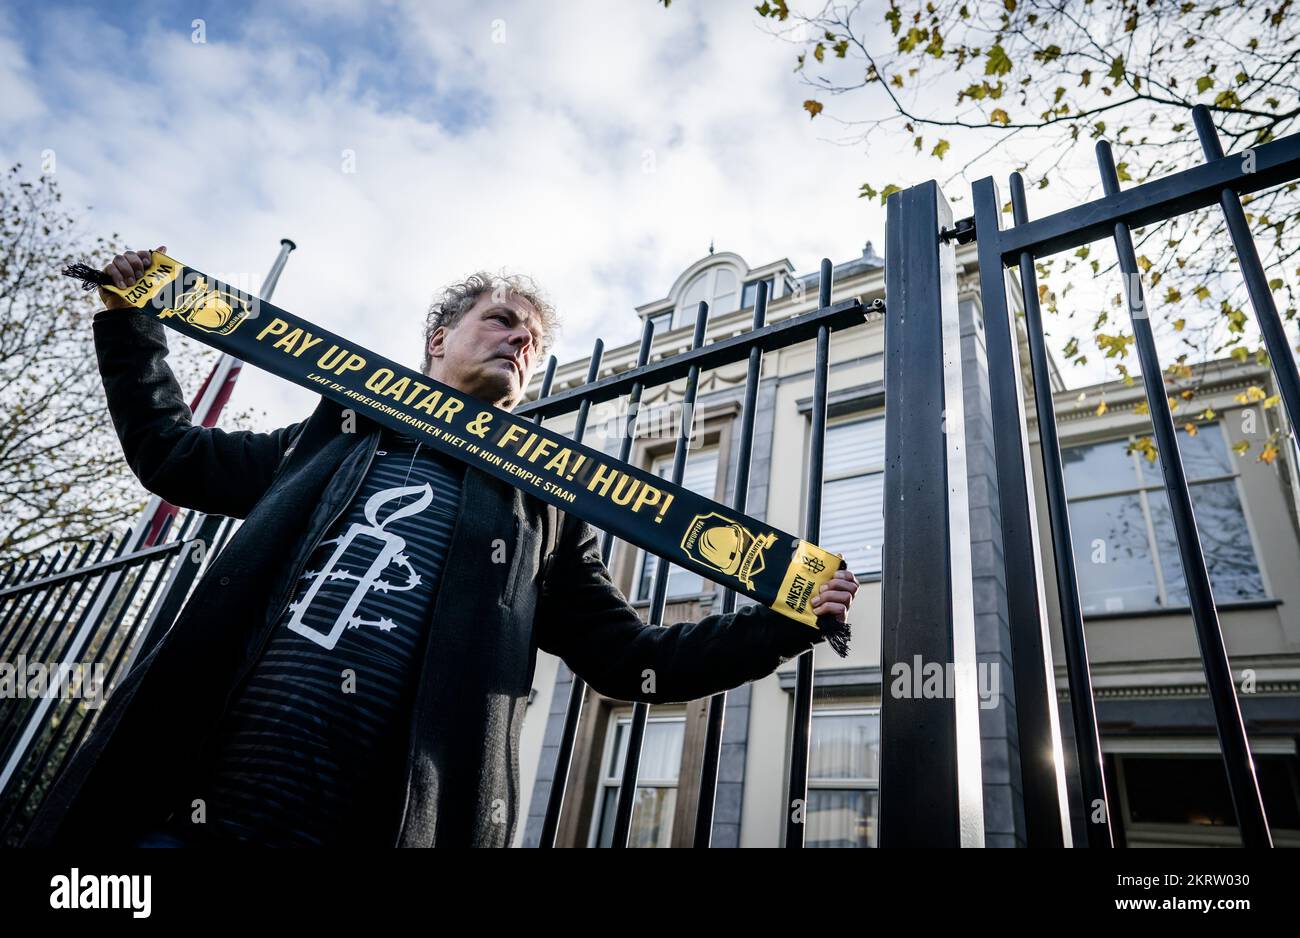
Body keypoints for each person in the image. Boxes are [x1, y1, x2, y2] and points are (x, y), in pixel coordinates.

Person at [23, 247, 859, 848]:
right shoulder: (331, 434)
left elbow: (630, 658)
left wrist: (784, 622)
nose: (520, 340)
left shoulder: (547, 508)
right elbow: (175, 456)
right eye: (502, 321)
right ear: (438, 341)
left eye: (532, 339)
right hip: (186, 811)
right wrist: (133, 329)